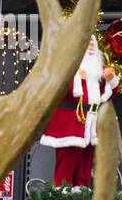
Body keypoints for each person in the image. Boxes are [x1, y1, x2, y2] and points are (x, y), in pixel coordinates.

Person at [40, 35, 119, 188]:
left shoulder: (99, 69)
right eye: (86, 45)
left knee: (86, 161)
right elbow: (60, 91)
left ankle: (82, 189)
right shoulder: (67, 68)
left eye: (92, 45)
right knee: (68, 158)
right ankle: (62, 189)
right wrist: (77, 79)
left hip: (92, 121)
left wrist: (111, 80)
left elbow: (109, 94)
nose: (90, 48)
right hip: (72, 120)